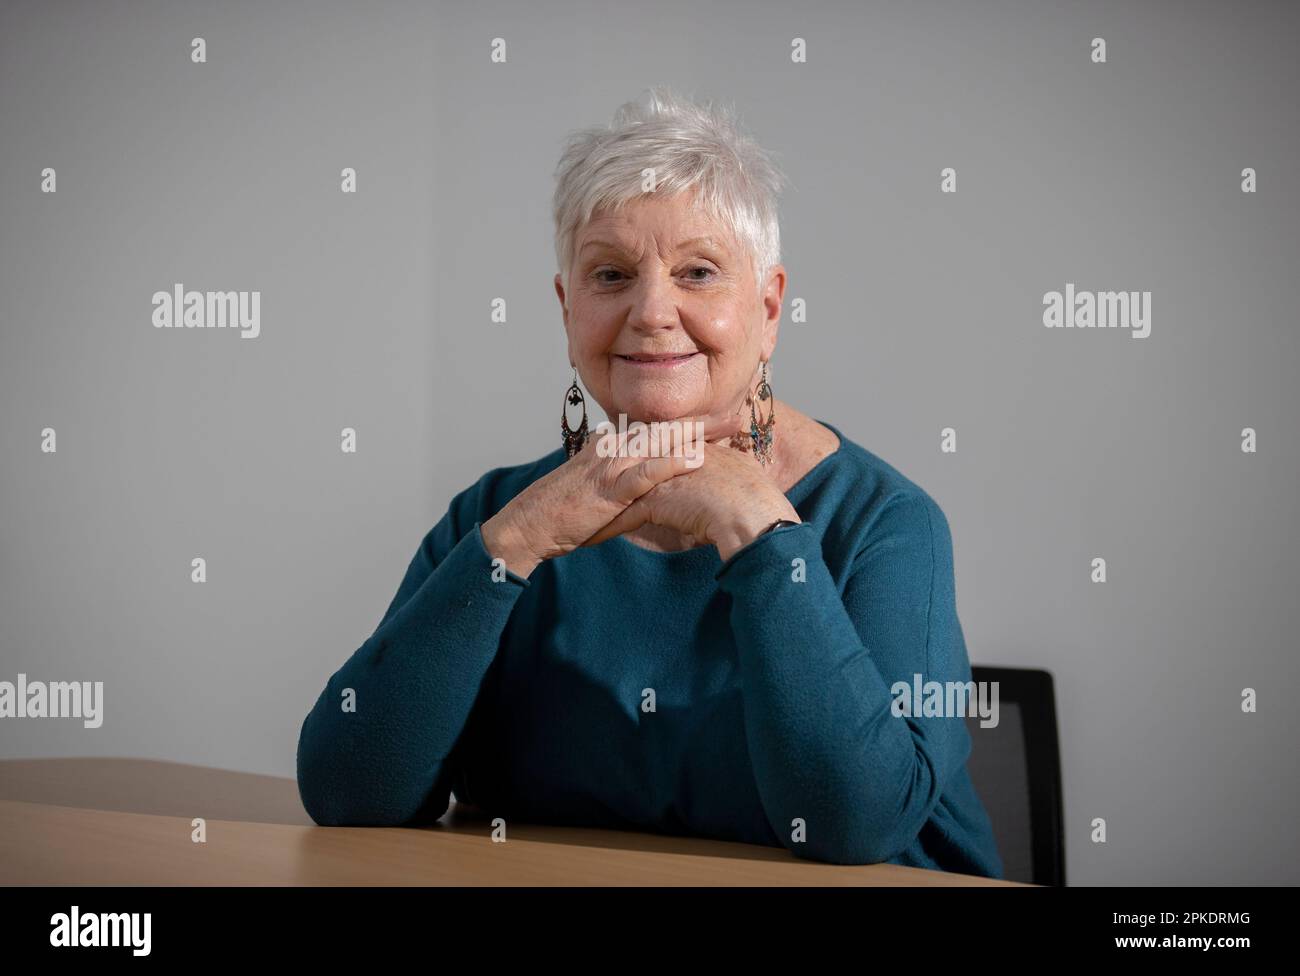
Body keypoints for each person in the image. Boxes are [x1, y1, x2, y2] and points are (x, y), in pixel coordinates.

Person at [296, 86, 1003, 877]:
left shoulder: (886, 523)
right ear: (568, 311)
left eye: (698, 272)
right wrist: (518, 543)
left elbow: (852, 823)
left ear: (768, 308)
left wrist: (760, 533)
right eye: (610, 275)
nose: (652, 312)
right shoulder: (498, 516)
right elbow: (348, 792)